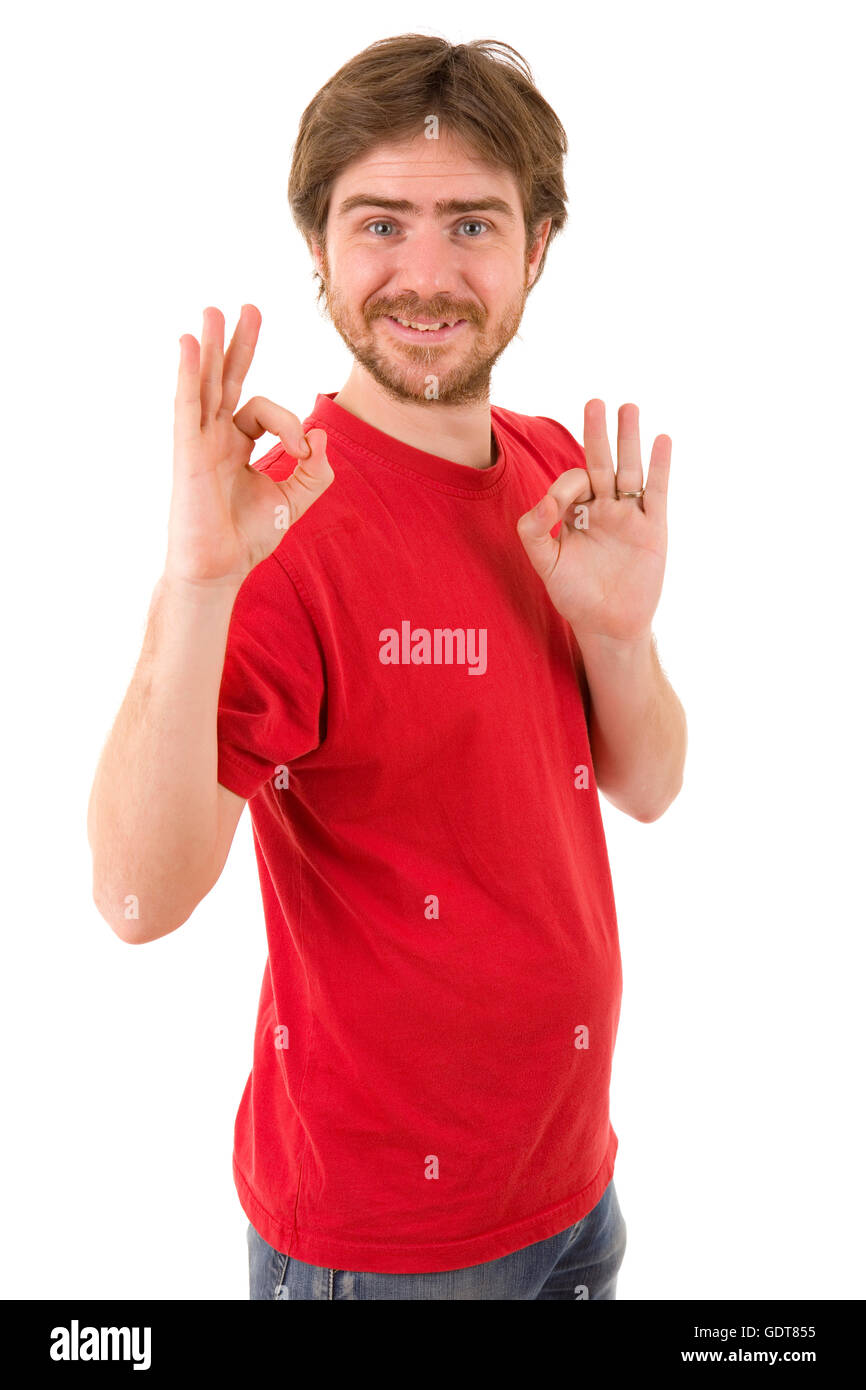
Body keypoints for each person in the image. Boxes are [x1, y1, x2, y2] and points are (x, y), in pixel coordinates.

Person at [87, 34, 687, 1301]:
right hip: (392, 1251)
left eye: (471, 223)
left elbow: (647, 785)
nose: (426, 274)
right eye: (380, 224)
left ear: (536, 251)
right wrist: (196, 586)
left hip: (574, 1182)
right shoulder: (282, 531)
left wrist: (619, 637)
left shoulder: (545, 471)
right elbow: (137, 902)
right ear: (317, 249)